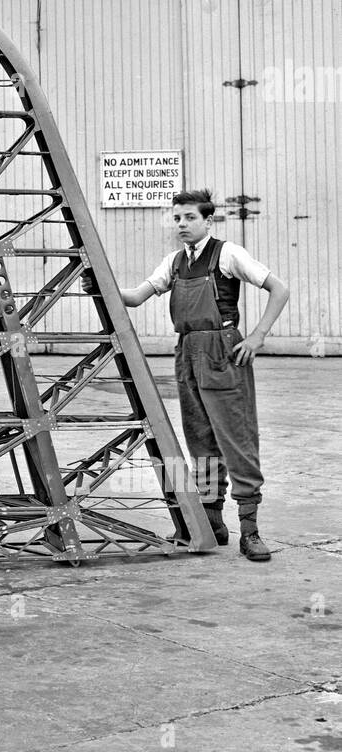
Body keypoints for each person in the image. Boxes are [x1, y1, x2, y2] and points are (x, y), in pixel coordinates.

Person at [88, 188, 289, 562]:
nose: (181, 224)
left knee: (238, 439)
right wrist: (100, 288)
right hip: (187, 353)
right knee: (199, 439)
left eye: (190, 218)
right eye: (177, 218)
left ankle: (250, 529)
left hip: (223, 350)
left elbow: (279, 289)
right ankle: (213, 522)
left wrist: (258, 337)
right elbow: (134, 298)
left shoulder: (227, 253)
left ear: (208, 220)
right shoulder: (174, 262)